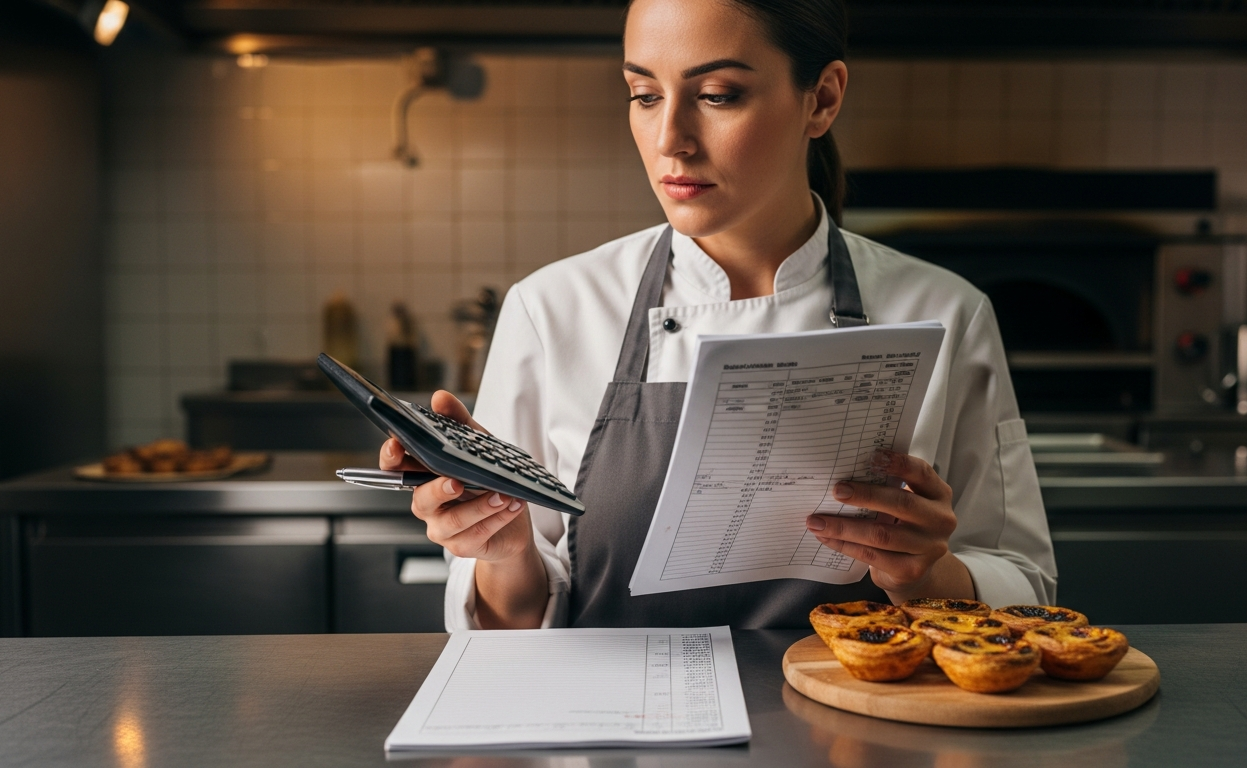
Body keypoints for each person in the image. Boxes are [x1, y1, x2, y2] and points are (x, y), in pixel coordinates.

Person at [379, 0, 1056, 631]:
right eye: (644, 95)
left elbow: (1026, 586)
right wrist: (501, 550)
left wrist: (927, 574)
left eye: (716, 96)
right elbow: (512, 627)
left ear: (821, 99)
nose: (671, 138)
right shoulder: (553, 310)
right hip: (611, 747)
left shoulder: (946, 312)